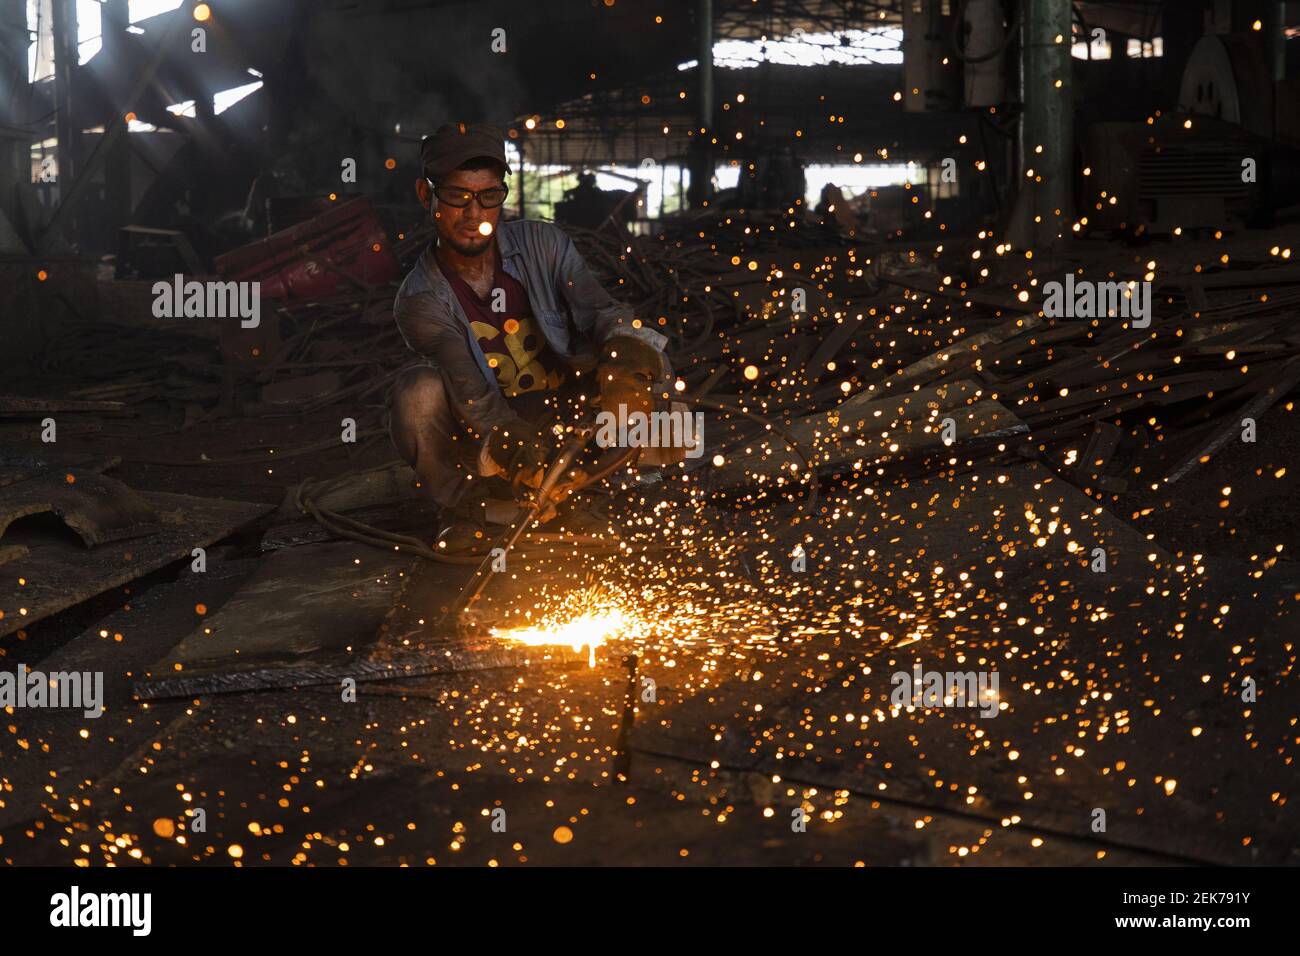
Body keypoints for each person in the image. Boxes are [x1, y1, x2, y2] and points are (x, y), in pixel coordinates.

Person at [387, 122, 671, 549]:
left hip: (569, 412)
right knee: (416, 391)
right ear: (427, 196)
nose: (474, 214)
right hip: (489, 432)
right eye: (457, 196)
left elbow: (603, 312)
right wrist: (511, 441)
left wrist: (624, 359)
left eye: (488, 196)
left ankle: (645, 484)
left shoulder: (544, 243)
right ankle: (464, 506)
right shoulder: (420, 299)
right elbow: (468, 387)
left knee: (650, 353)